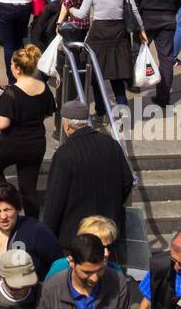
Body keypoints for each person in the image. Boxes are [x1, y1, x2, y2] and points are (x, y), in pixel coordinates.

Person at [41, 98, 134, 256]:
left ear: (67, 125)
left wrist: (47, 235)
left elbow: (55, 199)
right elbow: (127, 180)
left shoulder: (65, 153)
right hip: (107, 234)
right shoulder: (111, 144)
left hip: (75, 237)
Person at [69, 0, 145, 117]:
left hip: (98, 35)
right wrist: (142, 29)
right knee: (117, 75)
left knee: (97, 75)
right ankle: (123, 110)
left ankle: (101, 110)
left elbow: (81, 14)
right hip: (119, 34)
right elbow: (133, 10)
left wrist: (69, 8)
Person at [0, 45, 56, 220]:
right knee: (28, 187)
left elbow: (3, 124)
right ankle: (32, 222)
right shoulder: (44, 87)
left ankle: (6, 202)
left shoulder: (10, 93)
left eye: (12, 63)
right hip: (36, 144)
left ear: (17, 68)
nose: (11, 66)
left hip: (12, 143)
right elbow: (48, 112)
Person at [0, 182, 62, 289]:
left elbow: (58, 264)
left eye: (7, 210)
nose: (3, 216)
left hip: (29, 299)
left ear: (17, 208)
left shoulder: (37, 231)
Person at [36, 232, 131, 309]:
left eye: (100, 270)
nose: (94, 278)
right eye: (87, 272)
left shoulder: (118, 282)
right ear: (72, 262)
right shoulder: (51, 288)